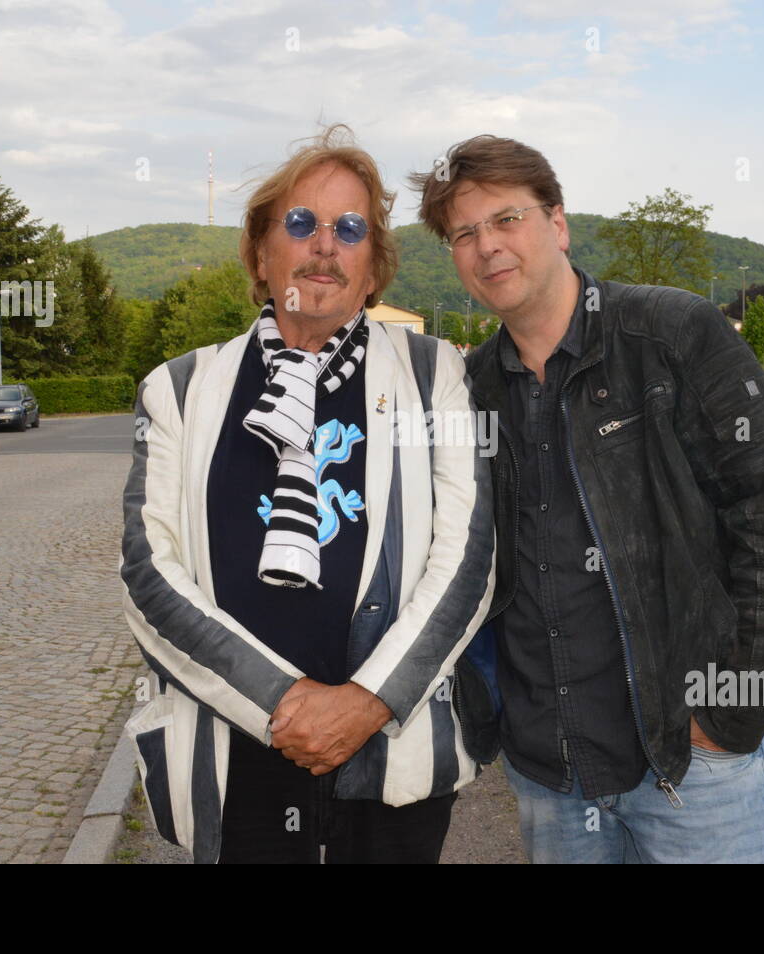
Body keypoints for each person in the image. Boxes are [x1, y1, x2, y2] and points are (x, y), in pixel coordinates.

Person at [408, 135, 764, 863]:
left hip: (692, 764)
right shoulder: (470, 390)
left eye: (506, 219)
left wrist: (731, 709)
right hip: (552, 776)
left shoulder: (672, 334)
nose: (487, 247)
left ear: (558, 223)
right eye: (464, 233)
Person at [120, 125, 494, 864]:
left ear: (373, 265)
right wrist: (284, 705)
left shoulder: (433, 377)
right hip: (238, 750)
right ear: (262, 254)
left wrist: (364, 704)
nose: (325, 244)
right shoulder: (181, 389)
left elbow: (468, 557)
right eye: (301, 223)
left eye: (349, 228)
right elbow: (146, 570)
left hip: (392, 749)